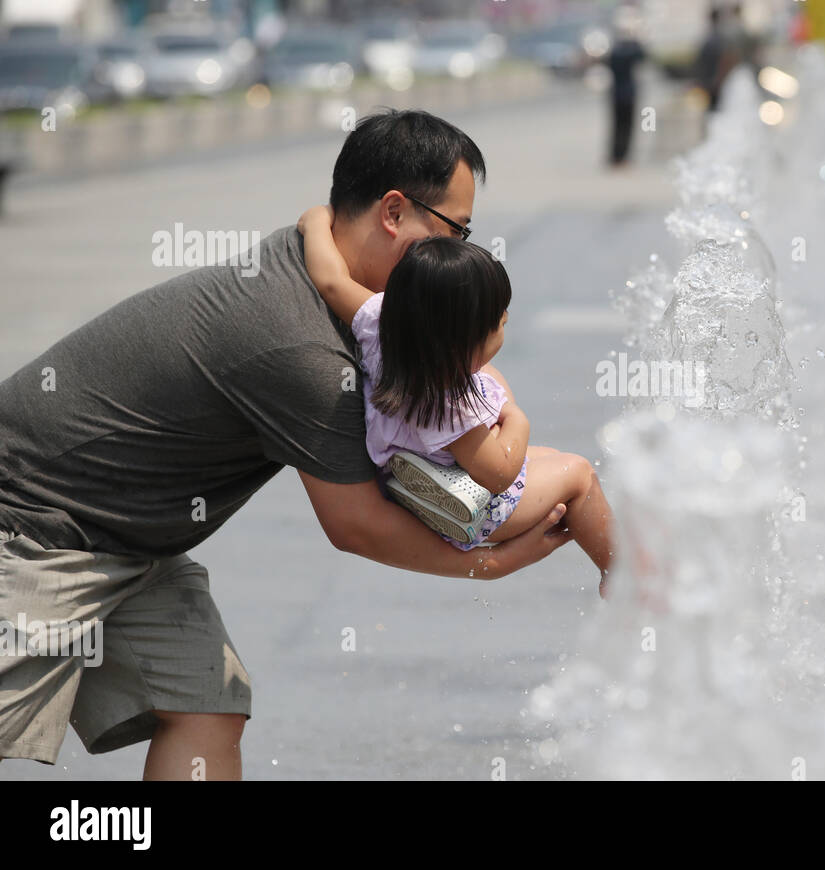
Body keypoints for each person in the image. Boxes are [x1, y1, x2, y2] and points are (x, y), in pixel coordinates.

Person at [0, 110, 573, 777]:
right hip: (32, 524)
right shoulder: (306, 349)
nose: (461, 252)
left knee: (205, 705)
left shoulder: (325, 273)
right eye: (455, 229)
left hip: (128, 539)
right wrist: (492, 563)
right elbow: (357, 524)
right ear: (393, 211)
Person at [297, 206, 616, 589]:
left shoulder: (380, 323)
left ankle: (607, 544)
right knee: (578, 473)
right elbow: (499, 474)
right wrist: (515, 416)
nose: (506, 321)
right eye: (499, 321)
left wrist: (314, 222)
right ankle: (621, 573)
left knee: (551, 461)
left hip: (429, 473)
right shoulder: (450, 403)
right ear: (464, 347)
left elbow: (330, 281)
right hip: (475, 507)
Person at [607, 8, 646, 166]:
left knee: (617, 126)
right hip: (627, 93)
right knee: (626, 126)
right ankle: (620, 156)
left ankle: (616, 156)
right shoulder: (629, 50)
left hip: (617, 93)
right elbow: (642, 55)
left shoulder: (615, 50)